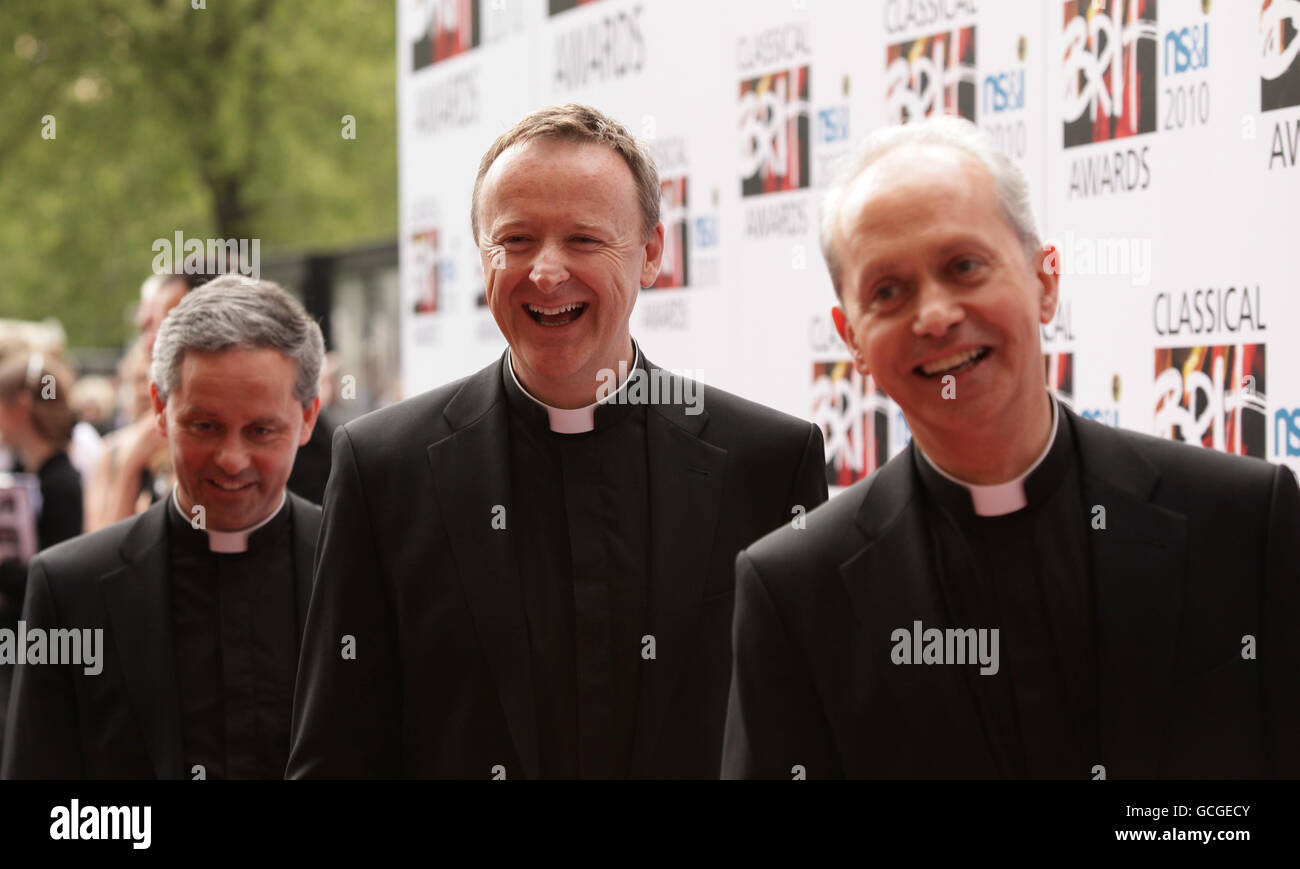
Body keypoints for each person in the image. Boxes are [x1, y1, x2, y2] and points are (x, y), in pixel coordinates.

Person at [721, 116, 1300, 779]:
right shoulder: (794, 588)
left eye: (964, 266)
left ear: (1044, 280)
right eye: (888, 291)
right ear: (850, 336)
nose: (934, 314)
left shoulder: (1242, 518)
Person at [288, 103, 828, 779]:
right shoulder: (383, 467)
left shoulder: (769, 463)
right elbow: (337, 752)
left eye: (583, 240)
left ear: (652, 253)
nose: (546, 272)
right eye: (515, 241)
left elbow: (805, 742)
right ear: (482, 255)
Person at [1, 278, 324, 779]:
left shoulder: (359, 566)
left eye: (261, 430)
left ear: (306, 419)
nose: (232, 460)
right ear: (159, 408)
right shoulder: (70, 588)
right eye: (204, 426)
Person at [0, 352, 84, 749]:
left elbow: (52, 578)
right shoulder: (30, 471)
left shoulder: (60, 481)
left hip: (37, 651)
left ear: (19, 408)